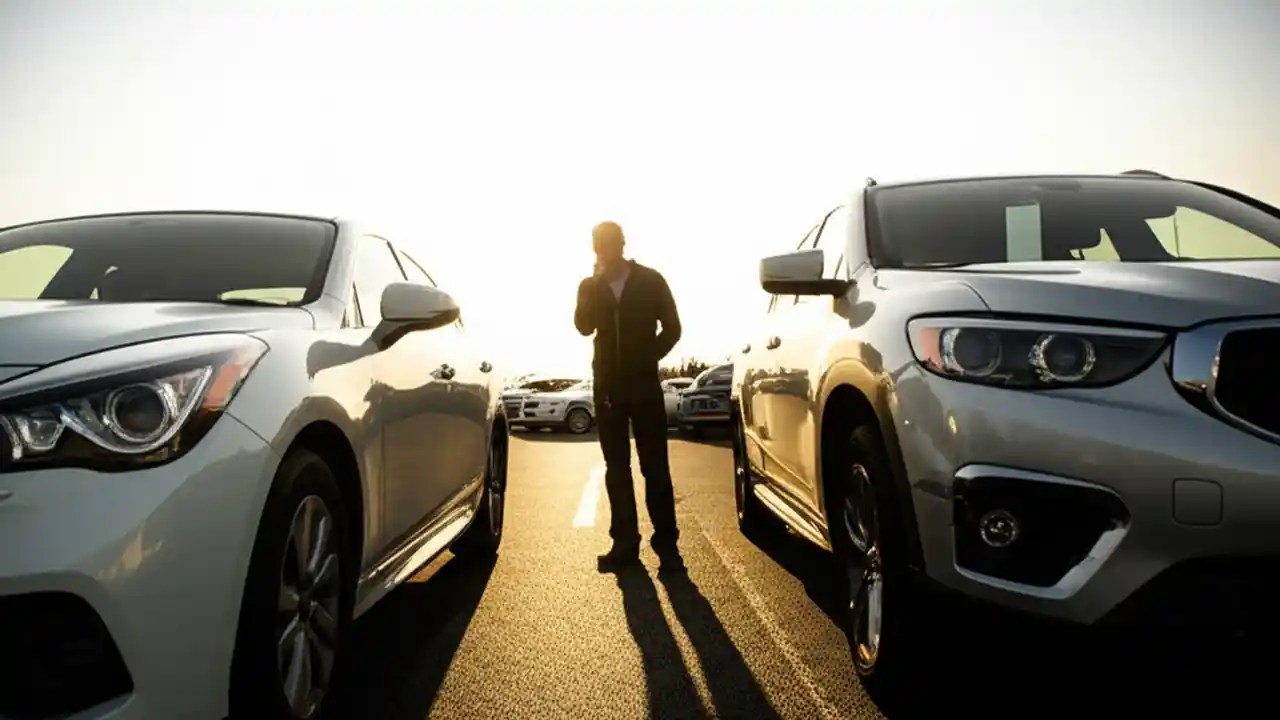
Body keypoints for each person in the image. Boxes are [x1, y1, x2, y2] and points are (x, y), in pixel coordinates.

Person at [574, 220, 684, 573]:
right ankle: (625, 545)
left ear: (622, 244)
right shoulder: (589, 285)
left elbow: (673, 328)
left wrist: (648, 357)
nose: (604, 251)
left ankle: (667, 547)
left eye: (609, 245)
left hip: (644, 387)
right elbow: (583, 326)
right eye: (599, 246)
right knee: (617, 469)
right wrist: (591, 288)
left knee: (655, 467)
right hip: (607, 389)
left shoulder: (650, 280)